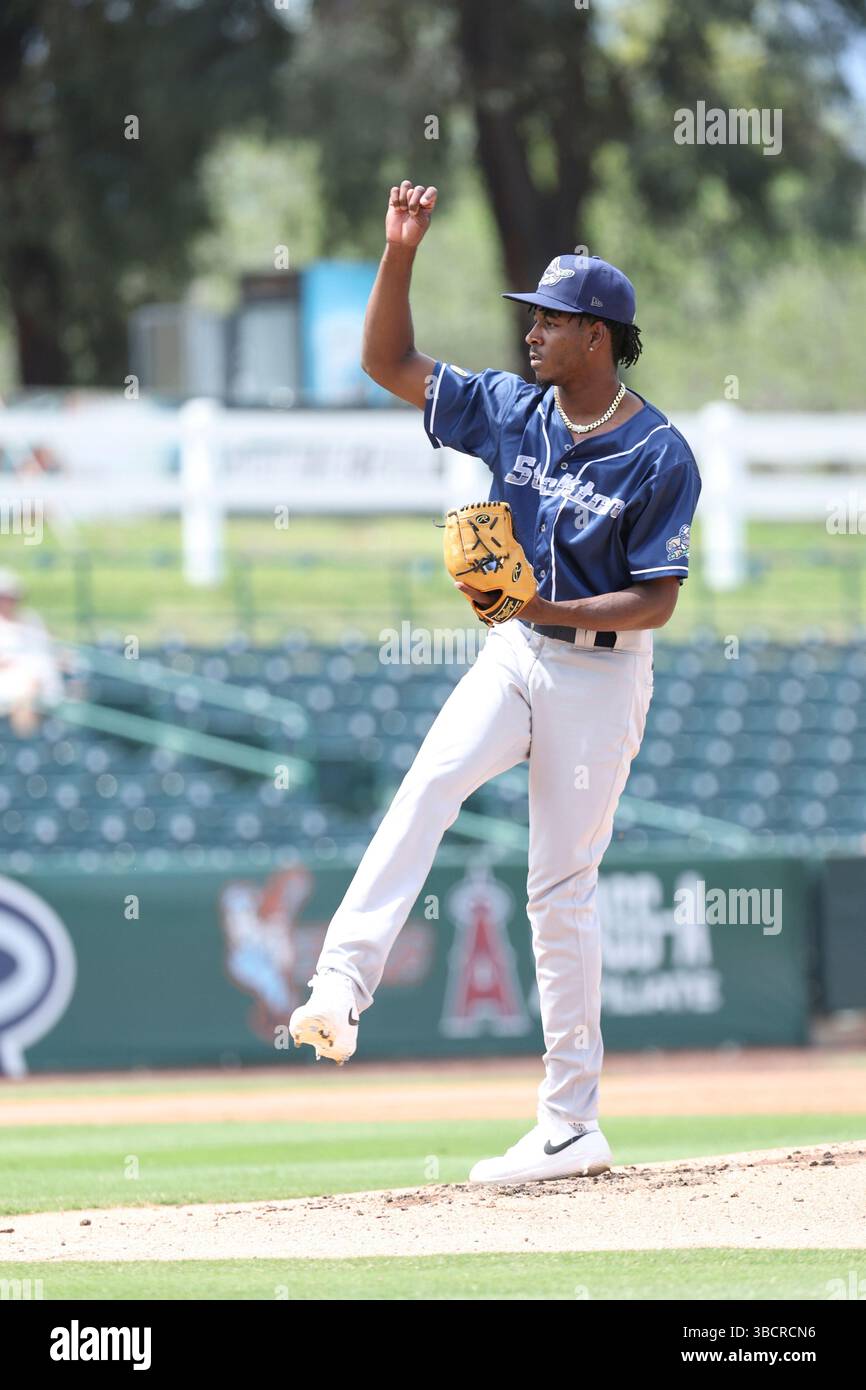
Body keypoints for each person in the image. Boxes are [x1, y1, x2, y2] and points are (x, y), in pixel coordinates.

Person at [290, 181, 702, 1184]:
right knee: (428, 784)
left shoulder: (657, 455)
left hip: (600, 678)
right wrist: (399, 251)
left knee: (556, 889)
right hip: (515, 656)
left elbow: (654, 602)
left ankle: (569, 1124)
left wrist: (543, 611)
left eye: (550, 320)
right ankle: (339, 986)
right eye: (531, 317)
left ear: (599, 335)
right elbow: (384, 361)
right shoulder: (511, 410)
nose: (531, 333)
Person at [0, 570, 63, 736]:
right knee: (25, 693)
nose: (8, 601)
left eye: (11, 597)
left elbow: (48, 646)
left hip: (41, 675)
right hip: (11, 680)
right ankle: (26, 746)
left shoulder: (30, 619)